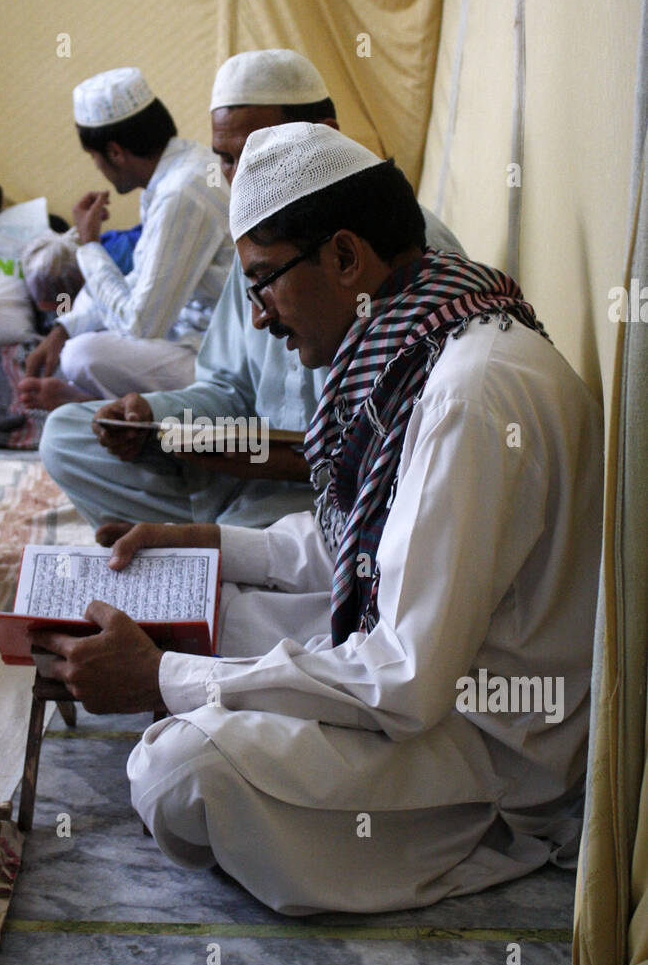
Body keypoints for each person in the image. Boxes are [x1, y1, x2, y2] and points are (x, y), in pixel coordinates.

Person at [32, 124, 603, 916]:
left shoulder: (467, 397)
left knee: (178, 770)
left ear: (343, 257)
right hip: (448, 664)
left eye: (264, 282)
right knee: (206, 610)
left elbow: (401, 680)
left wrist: (162, 682)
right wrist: (208, 544)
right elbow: (366, 542)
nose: (259, 317)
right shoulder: (428, 333)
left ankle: (467, 834)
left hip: (496, 741)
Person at [38, 49, 466, 531]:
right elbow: (229, 389)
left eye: (261, 153)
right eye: (226, 159)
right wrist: (155, 416)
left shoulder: (399, 246)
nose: (244, 179)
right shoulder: (260, 244)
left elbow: (388, 447)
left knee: (233, 563)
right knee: (65, 436)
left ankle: (215, 553)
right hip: (242, 471)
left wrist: (211, 456)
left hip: (338, 492)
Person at [19, 67, 233, 409]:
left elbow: (140, 322)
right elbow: (137, 283)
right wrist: (63, 329)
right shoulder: (180, 171)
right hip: (194, 336)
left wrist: (89, 245)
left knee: (82, 355)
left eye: (94, 157)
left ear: (116, 152)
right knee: (77, 341)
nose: (97, 167)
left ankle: (95, 401)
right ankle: (106, 400)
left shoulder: (182, 192)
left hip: (228, 362)